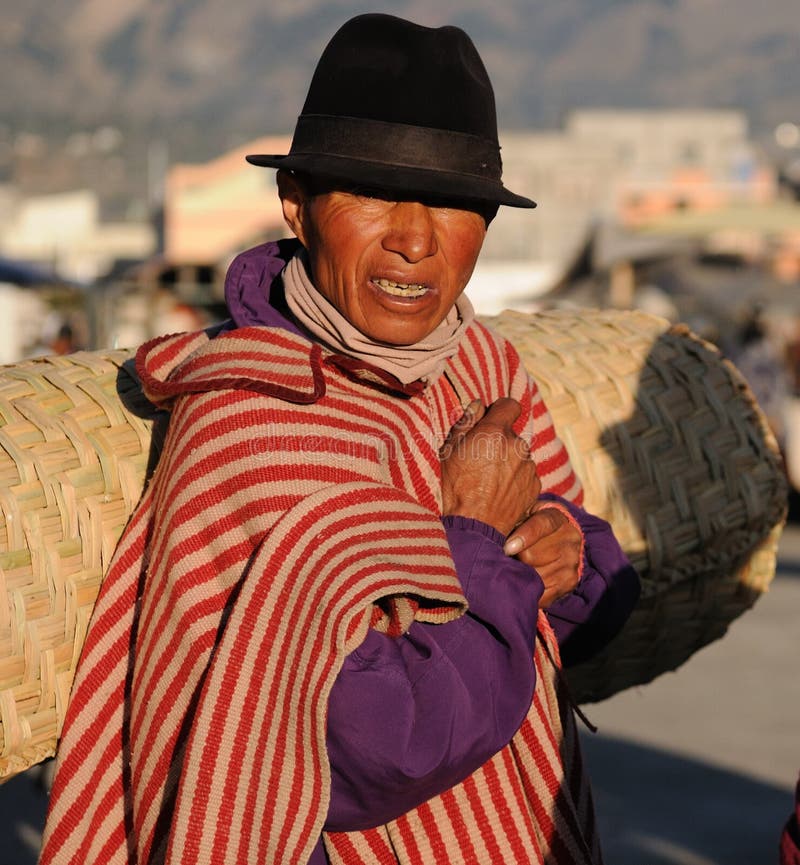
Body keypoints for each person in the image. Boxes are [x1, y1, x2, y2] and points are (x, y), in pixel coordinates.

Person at [40, 14, 640, 865]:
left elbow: (600, 605)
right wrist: (479, 546)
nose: (415, 236)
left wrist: (569, 552)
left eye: (451, 204)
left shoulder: (483, 366)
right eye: (372, 194)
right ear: (298, 203)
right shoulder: (249, 419)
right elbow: (356, 750)